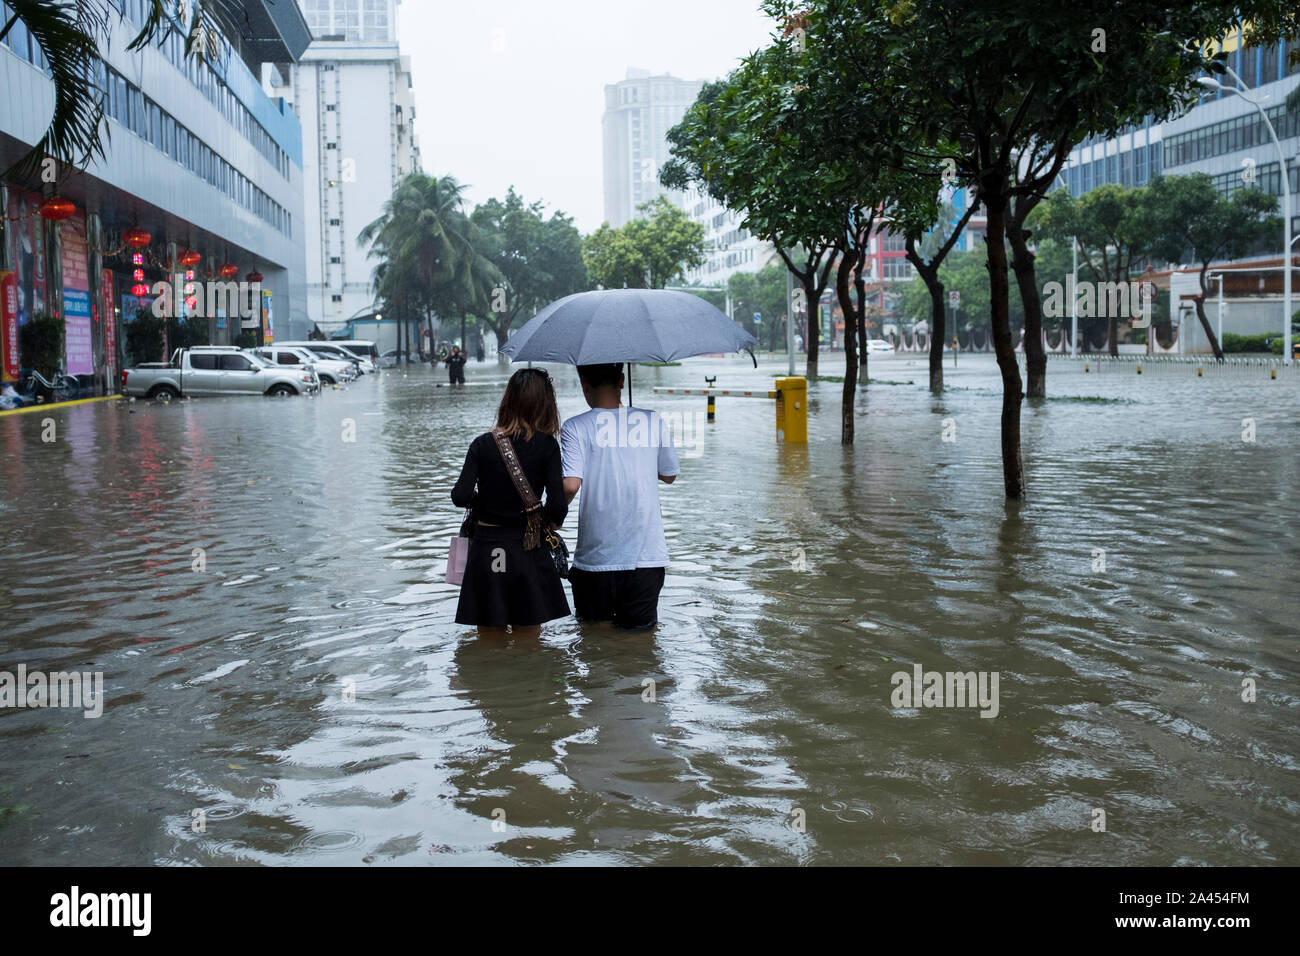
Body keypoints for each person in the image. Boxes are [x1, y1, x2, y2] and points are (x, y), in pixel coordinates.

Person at [451, 369, 569, 638]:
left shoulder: (481, 444)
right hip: (527, 550)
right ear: (545, 405)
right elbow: (558, 507)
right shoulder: (547, 446)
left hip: (487, 550)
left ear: (508, 401)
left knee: (488, 642)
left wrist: (483, 499)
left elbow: (459, 496)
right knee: (530, 645)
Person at [561, 363, 679, 631]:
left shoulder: (575, 427)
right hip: (646, 558)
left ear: (584, 384)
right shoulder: (652, 420)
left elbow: (569, 486)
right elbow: (670, 474)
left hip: (595, 559)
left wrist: (550, 520)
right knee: (640, 645)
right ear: (622, 381)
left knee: (594, 644)